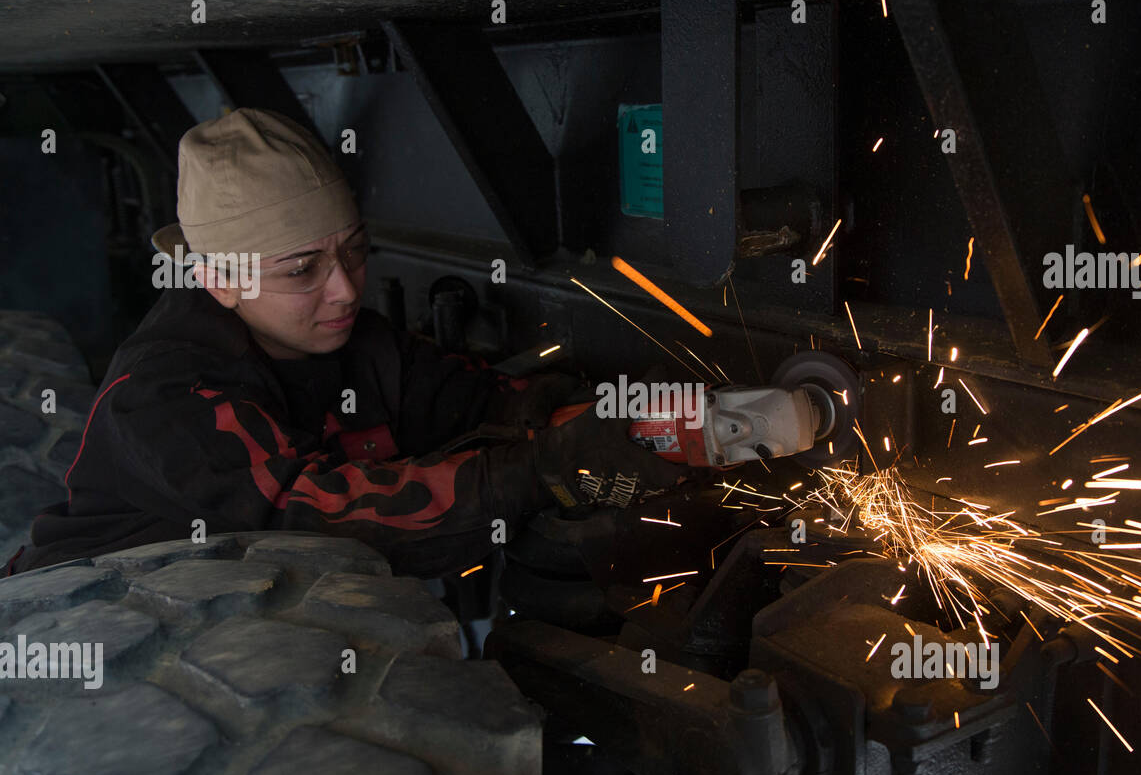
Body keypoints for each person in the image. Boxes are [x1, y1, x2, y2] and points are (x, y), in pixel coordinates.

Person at [4, 108, 684, 578]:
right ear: (218, 281)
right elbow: (307, 518)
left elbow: (481, 399)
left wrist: (607, 416)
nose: (345, 290)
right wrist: (544, 473)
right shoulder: (161, 396)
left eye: (355, 253)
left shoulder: (358, 346)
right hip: (100, 623)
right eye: (302, 270)